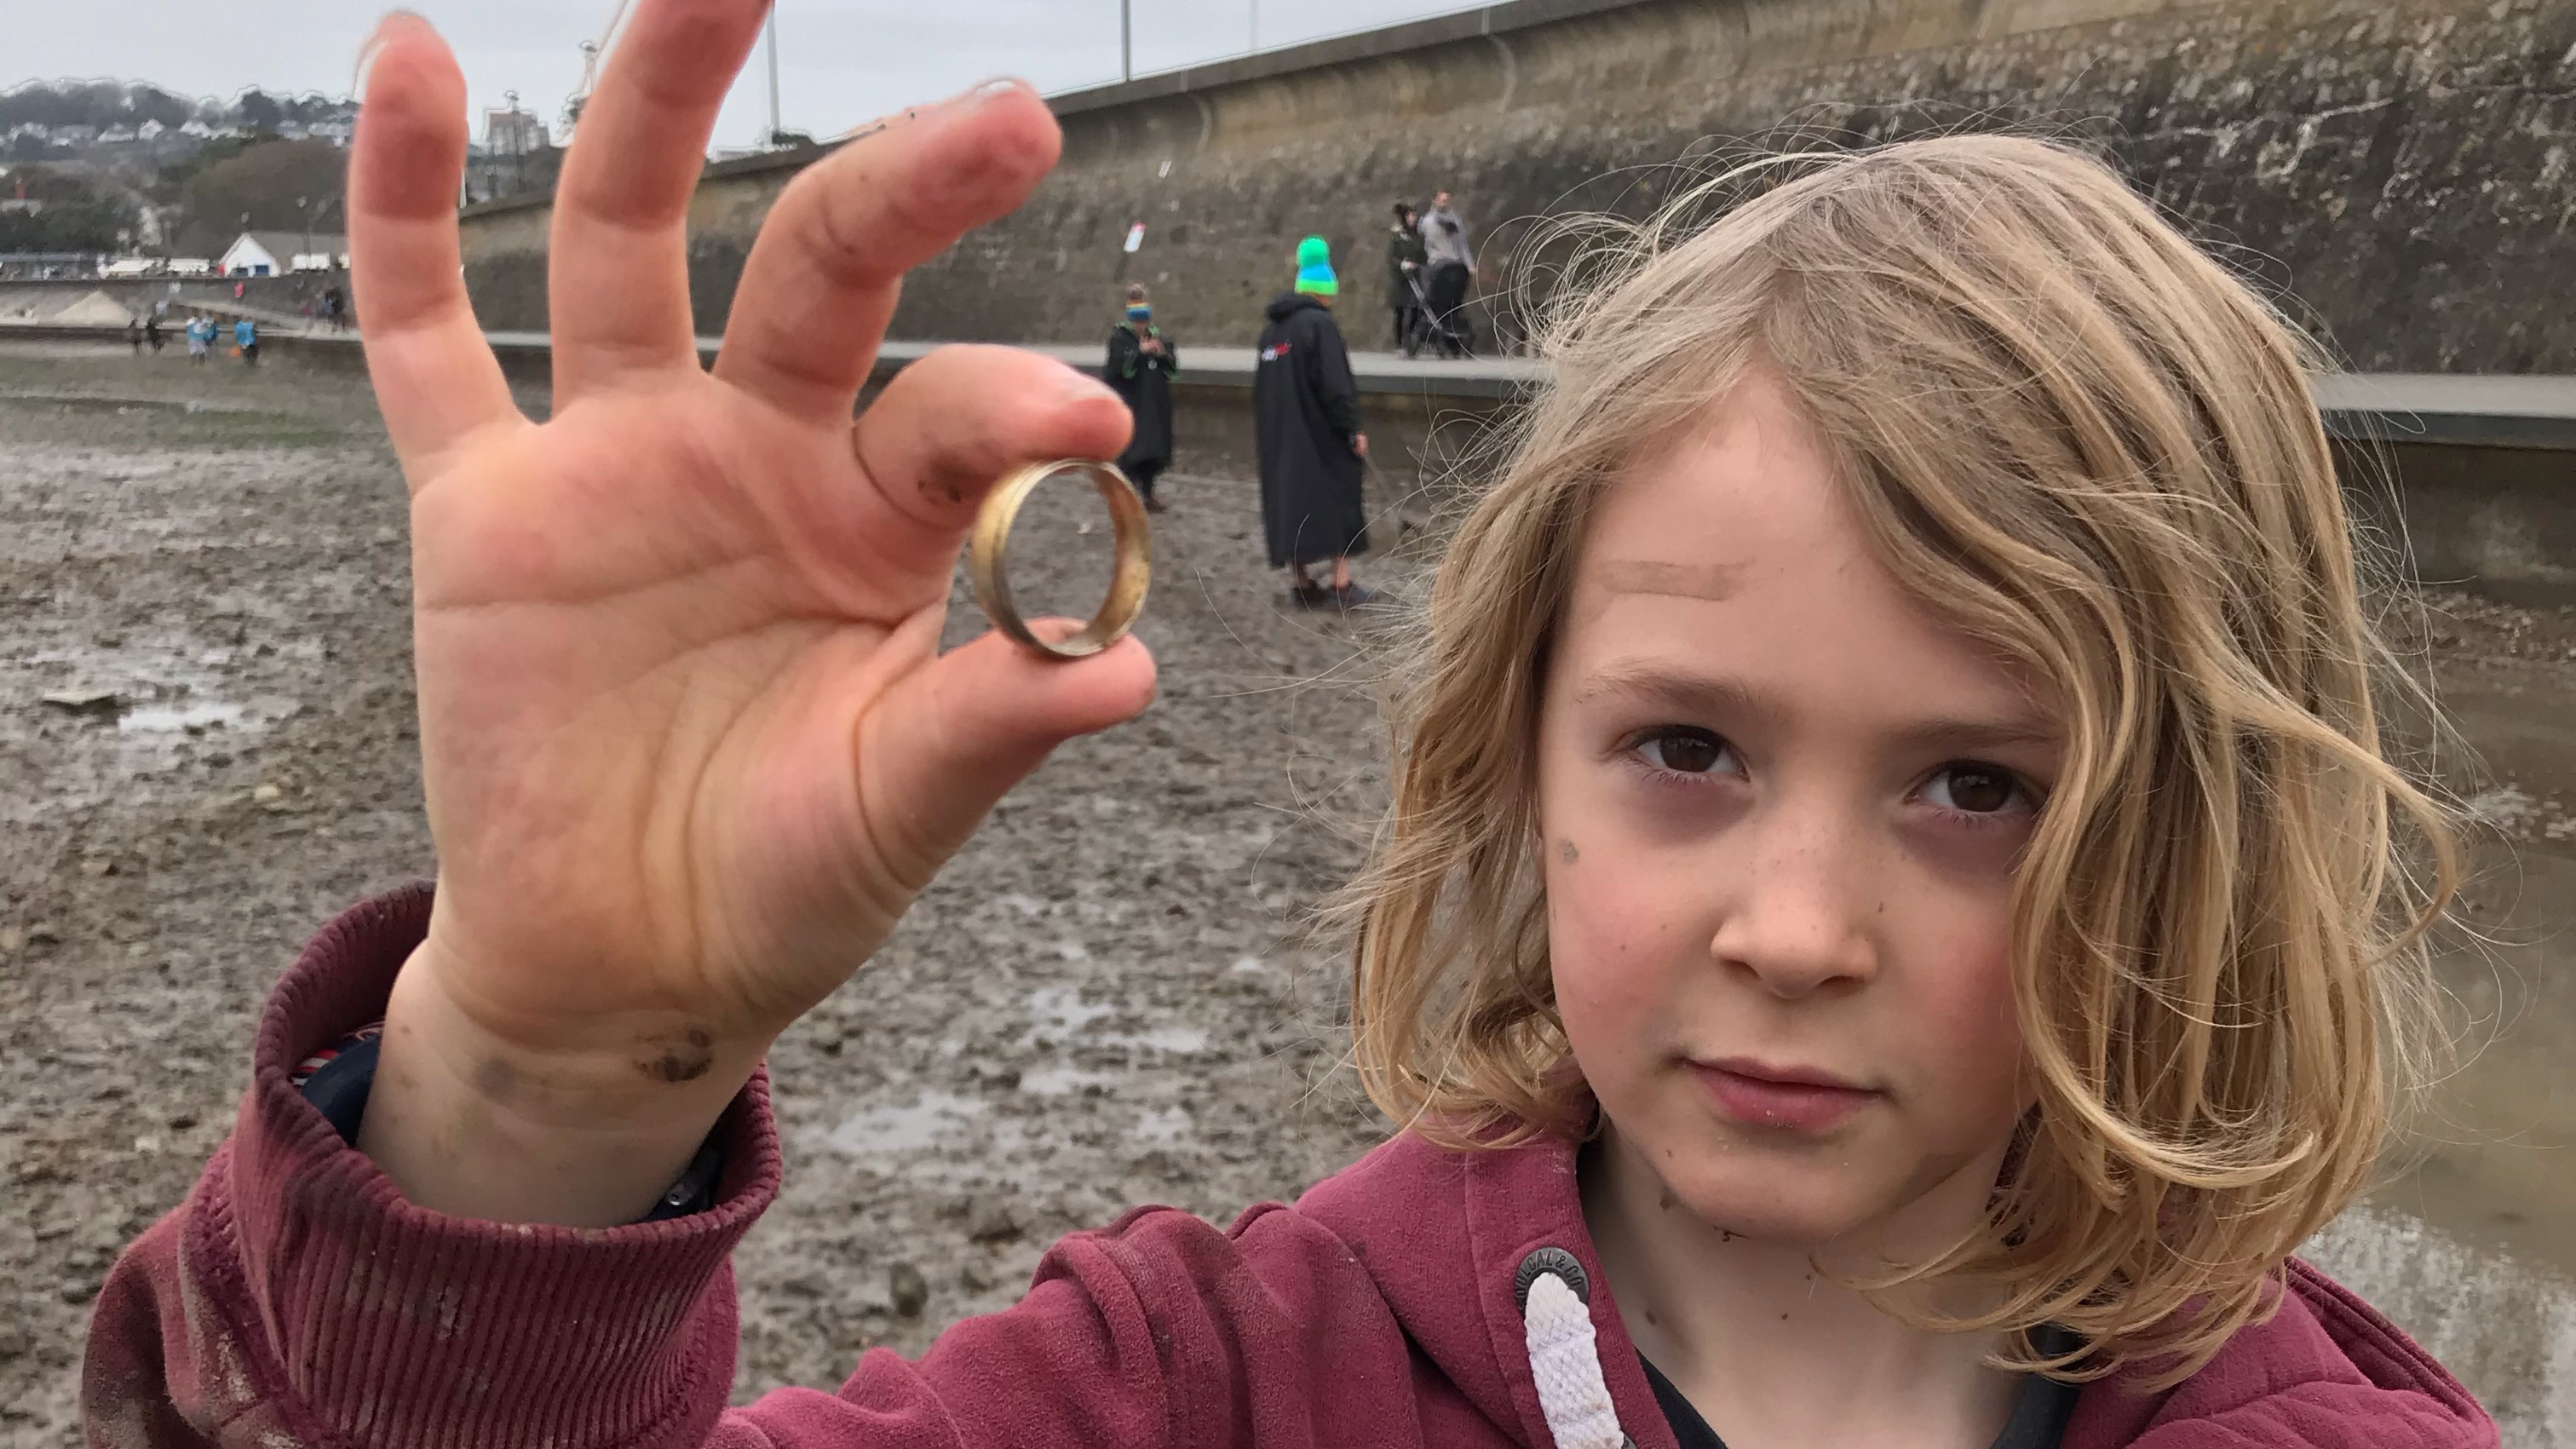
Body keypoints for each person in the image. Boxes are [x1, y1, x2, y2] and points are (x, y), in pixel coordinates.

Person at [84, 12, 2492, 1449]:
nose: (1790, 925)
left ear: (2202, 833)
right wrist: (541, 1071)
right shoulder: (1204, 1382)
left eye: (1978, 783)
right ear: (1512, 752)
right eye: (1687, 747)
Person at [1254, 235, 1371, 608]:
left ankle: (1302, 584)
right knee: (1338, 494)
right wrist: (1352, 428)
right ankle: (1341, 583)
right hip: (1320, 437)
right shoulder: (1320, 325)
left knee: (1290, 503)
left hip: (1280, 438)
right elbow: (1337, 386)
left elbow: (1261, 389)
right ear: (1326, 288)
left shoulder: (1271, 333)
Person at [1101, 283, 1177, 513]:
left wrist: (1161, 354)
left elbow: (1172, 370)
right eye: (1137, 320)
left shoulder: (1159, 339)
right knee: (1133, 452)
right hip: (1133, 405)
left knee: (1154, 451)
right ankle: (1126, 495)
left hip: (1155, 406)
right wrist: (1139, 354)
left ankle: (1149, 493)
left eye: (1145, 320)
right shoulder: (1120, 339)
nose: (1141, 325)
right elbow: (1117, 371)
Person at [1421, 187, 1475, 357]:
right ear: (1435, 201)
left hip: (1456, 266)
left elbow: (1462, 245)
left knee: (1455, 303)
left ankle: (1456, 341)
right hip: (1437, 264)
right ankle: (1437, 339)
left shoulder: (1455, 220)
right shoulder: (1428, 222)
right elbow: (1424, 246)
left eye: (1447, 200)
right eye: (1442, 200)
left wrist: (1470, 265)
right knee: (1438, 304)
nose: (1445, 203)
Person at [1387, 200, 1428, 353]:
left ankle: (1410, 339)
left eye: (1414, 216)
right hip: (1400, 279)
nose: (1413, 219)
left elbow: (1423, 256)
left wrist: (1418, 264)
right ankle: (1399, 344)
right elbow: (1391, 258)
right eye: (1410, 216)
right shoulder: (1397, 237)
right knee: (1400, 312)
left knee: (1416, 310)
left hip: (1415, 279)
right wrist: (1402, 264)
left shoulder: (1419, 237)